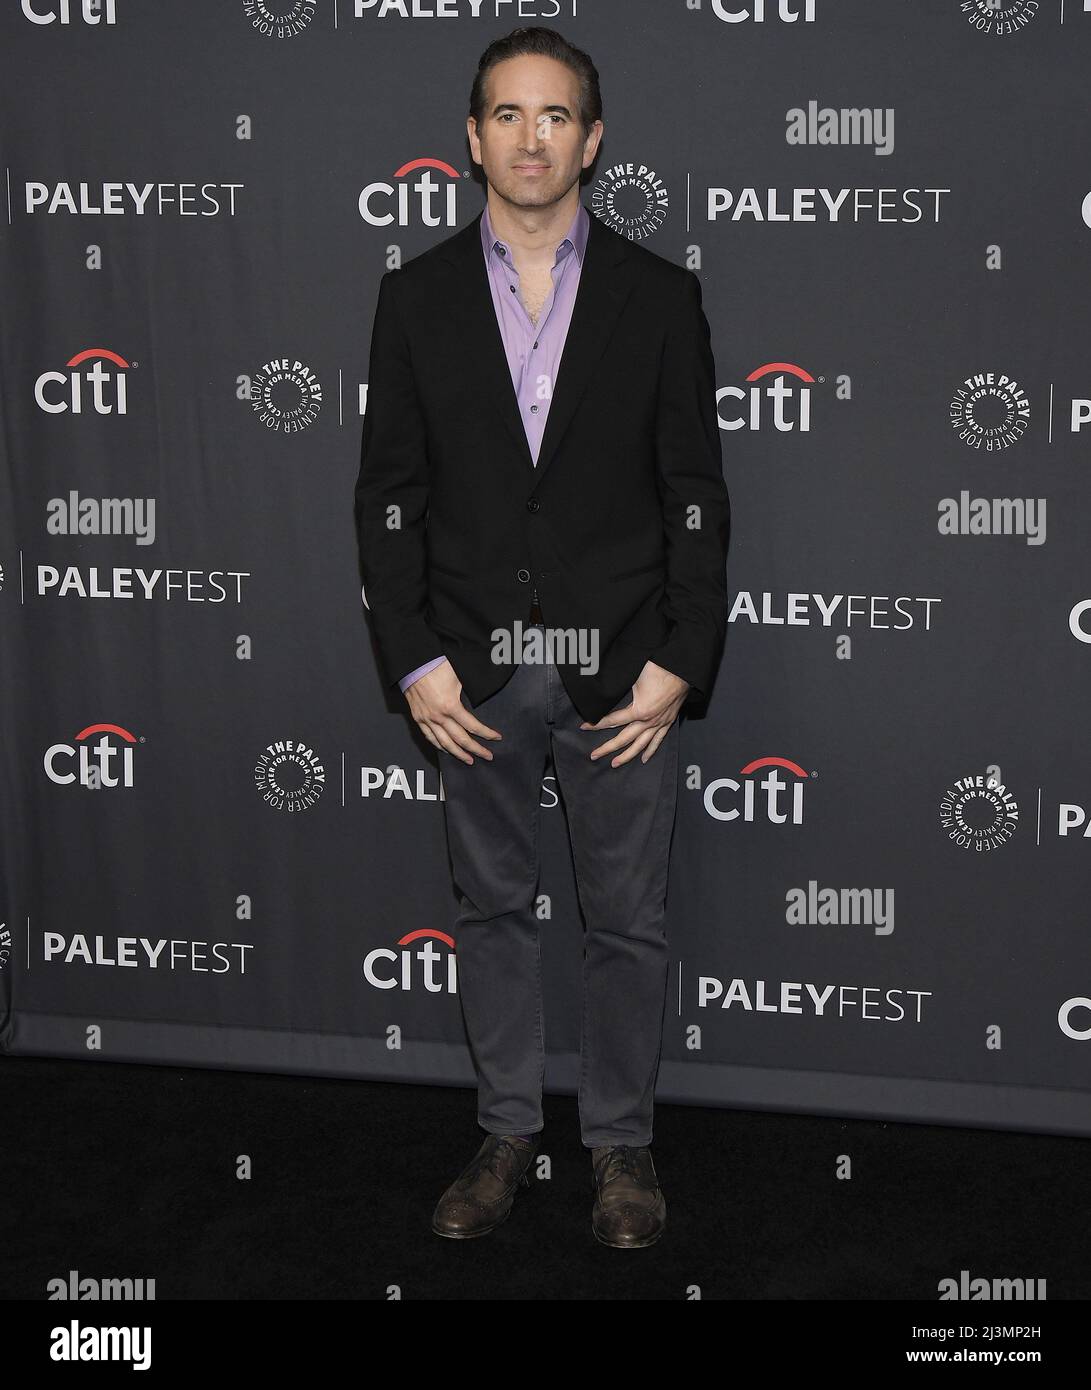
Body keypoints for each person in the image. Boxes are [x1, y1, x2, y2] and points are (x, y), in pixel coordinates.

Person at [354, 25, 729, 1249]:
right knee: (492, 912)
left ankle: (619, 1143)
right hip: (471, 672)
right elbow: (387, 495)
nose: (530, 137)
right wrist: (414, 660)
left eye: (554, 115)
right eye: (506, 115)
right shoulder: (410, 297)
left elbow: (695, 492)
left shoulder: (659, 294)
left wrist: (680, 657)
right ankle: (508, 1129)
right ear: (472, 139)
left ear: (592, 139)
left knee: (627, 922)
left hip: (621, 671)